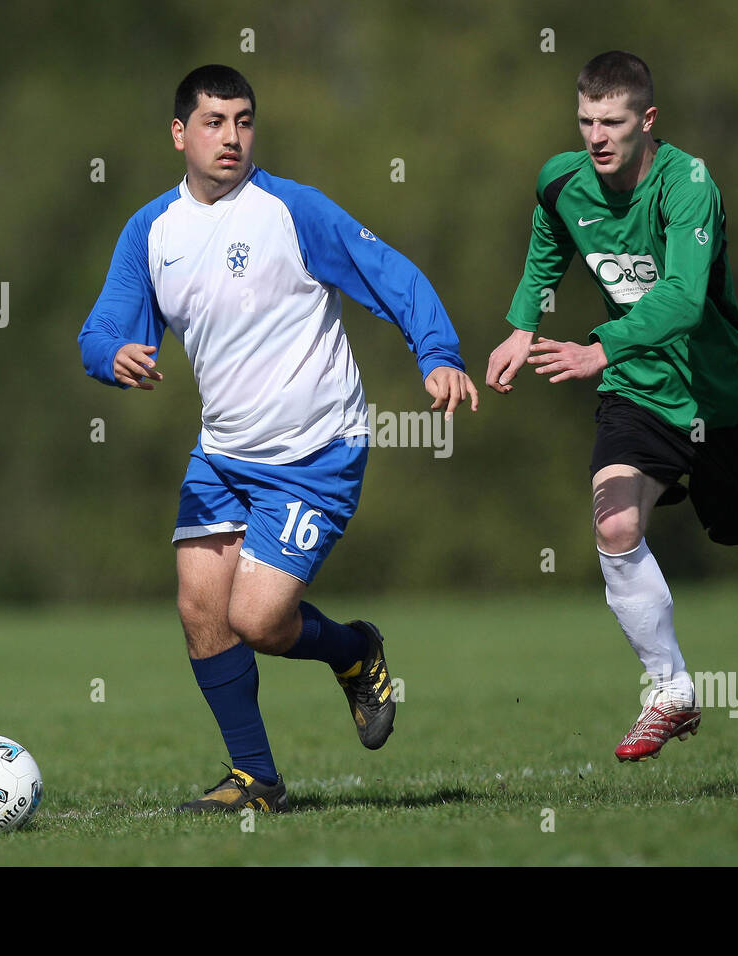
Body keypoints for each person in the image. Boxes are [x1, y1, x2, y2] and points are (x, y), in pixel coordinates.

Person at [79, 64, 479, 812]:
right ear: (179, 133)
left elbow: (390, 273)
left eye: (243, 120)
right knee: (200, 609)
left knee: (256, 621)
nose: (231, 136)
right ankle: (256, 779)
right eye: (213, 121)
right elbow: (101, 327)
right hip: (224, 454)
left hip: (315, 451)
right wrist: (113, 356)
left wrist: (438, 353)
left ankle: (356, 651)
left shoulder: (293, 211)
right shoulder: (151, 231)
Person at [486, 51, 738, 785]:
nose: (596, 137)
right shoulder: (561, 180)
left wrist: (595, 348)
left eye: (611, 122)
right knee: (614, 523)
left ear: (648, 121)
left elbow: (684, 298)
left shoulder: (689, 184)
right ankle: (670, 690)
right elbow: (549, 240)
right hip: (640, 392)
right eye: (585, 121)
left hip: (725, 400)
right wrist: (520, 323)